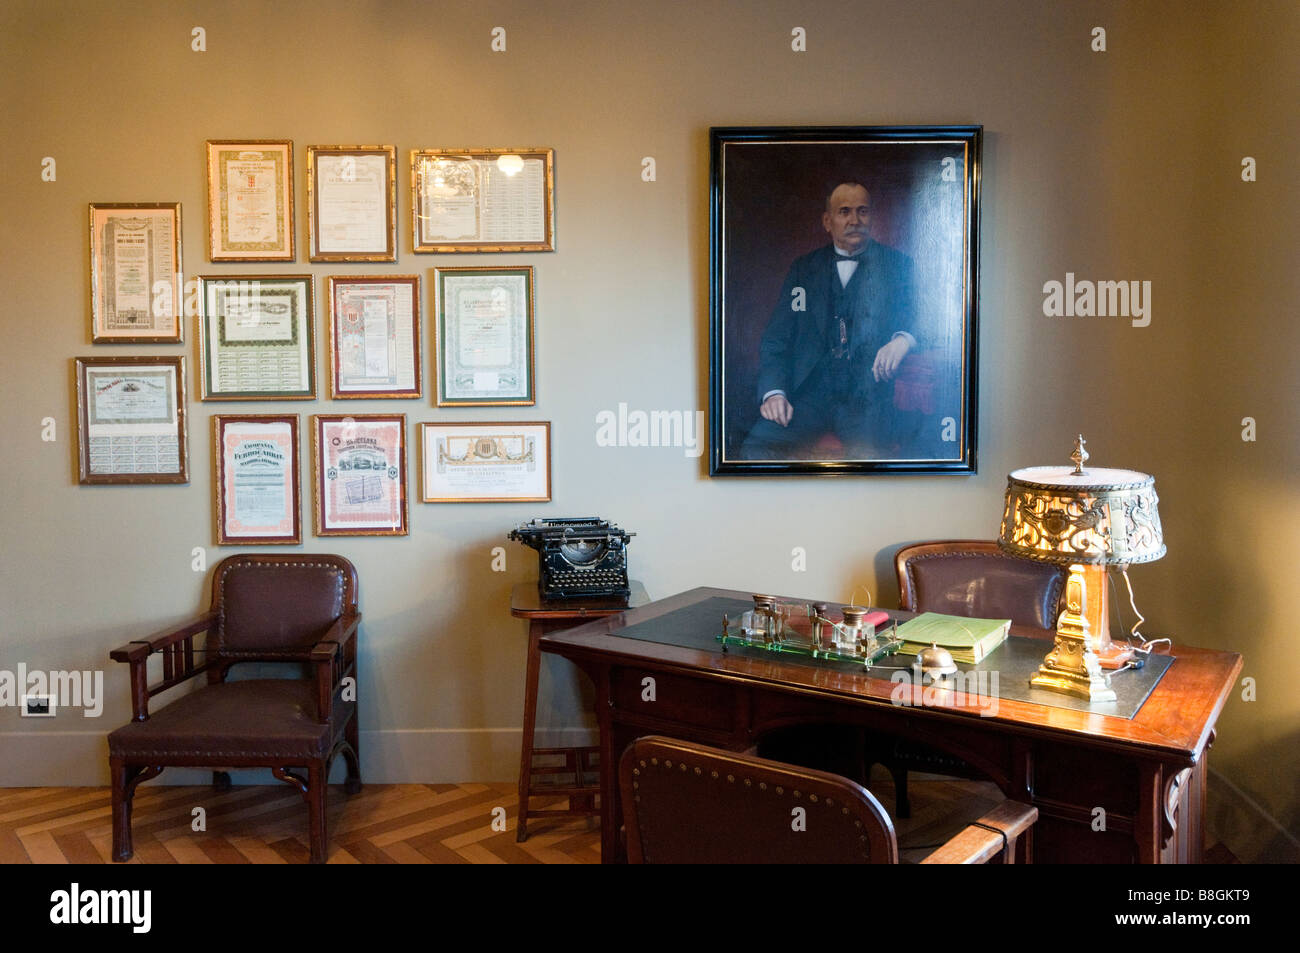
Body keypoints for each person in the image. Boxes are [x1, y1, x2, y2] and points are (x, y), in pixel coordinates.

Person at [739, 182, 918, 460]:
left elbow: (924, 317)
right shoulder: (803, 269)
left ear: (872, 218)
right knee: (756, 449)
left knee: (872, 463)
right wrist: (774, 393)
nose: (854, 221)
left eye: (862, 211)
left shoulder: (898, 266)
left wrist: (903, 339)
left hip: (865, 398)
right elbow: (777, 338)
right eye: (844, 212)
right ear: (827, 221)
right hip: (809, 396)